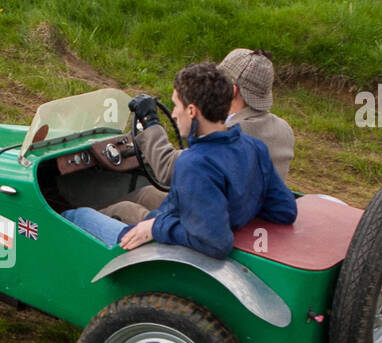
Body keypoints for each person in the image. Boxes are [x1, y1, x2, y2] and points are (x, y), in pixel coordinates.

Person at [62, 63, 297, 259]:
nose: (173, 114)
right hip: (192, 218)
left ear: (192, 111)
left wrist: (156, 227)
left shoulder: (195, 163)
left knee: (76, 216)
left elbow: (216, 242)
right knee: (143, 194)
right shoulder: (253, 147)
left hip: (172, 248)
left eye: (176, 105)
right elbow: (285, 209)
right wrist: (239, 209)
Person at [101, 48, 295, 224]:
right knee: (147, 194)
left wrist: (151, 123)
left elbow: (167, 169)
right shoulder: (283, 129)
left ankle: (75, 220)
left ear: (233, 91)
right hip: (245, 216)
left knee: (119, 210)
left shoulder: (231, 135)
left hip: (209, 223)